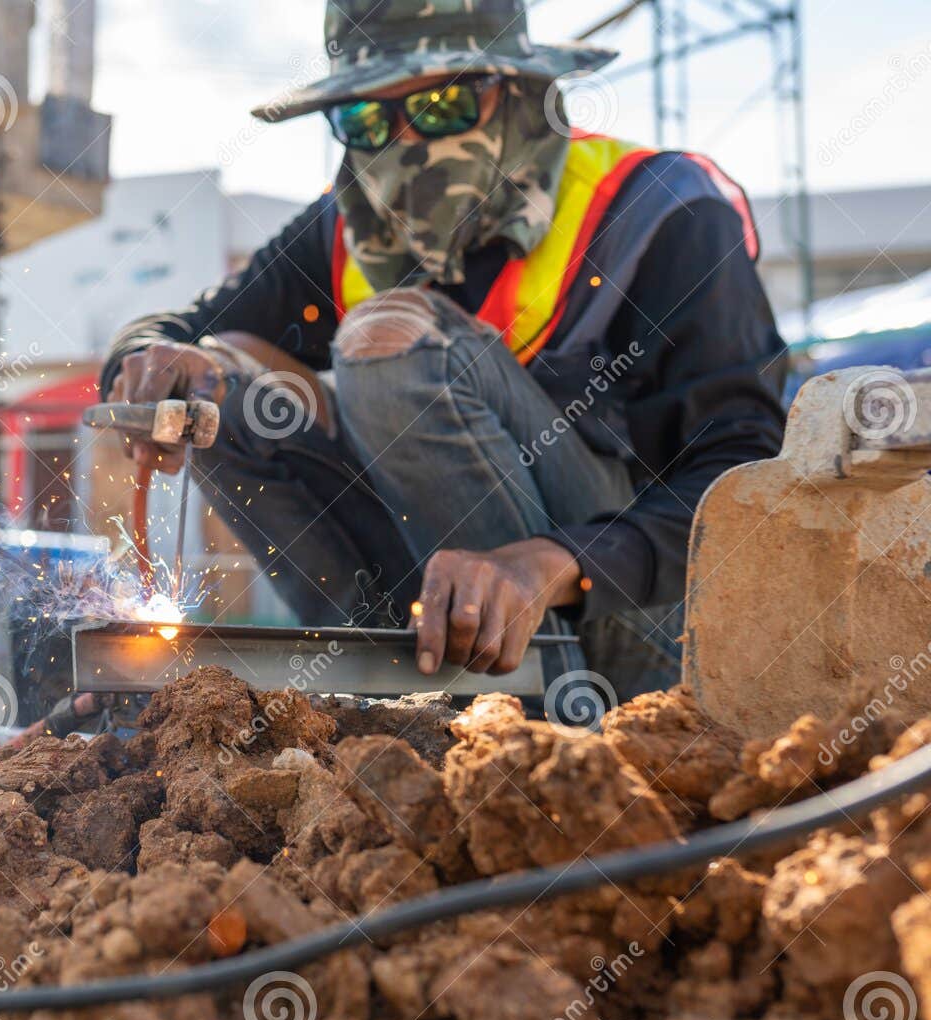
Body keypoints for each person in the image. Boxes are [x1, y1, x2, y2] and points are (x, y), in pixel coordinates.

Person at [100, 0, 786, 702]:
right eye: (367, 120)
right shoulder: (348, 227)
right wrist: (150, 363)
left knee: (386, 344)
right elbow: (184, 331)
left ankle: (535, 712)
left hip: (634, 627)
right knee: (221, 375)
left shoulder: (661, 214)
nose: (405, 142)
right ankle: (378, 687)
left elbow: (747, 481)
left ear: (518, 90)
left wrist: (548, 565)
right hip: (435, 621)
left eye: (445, 105)